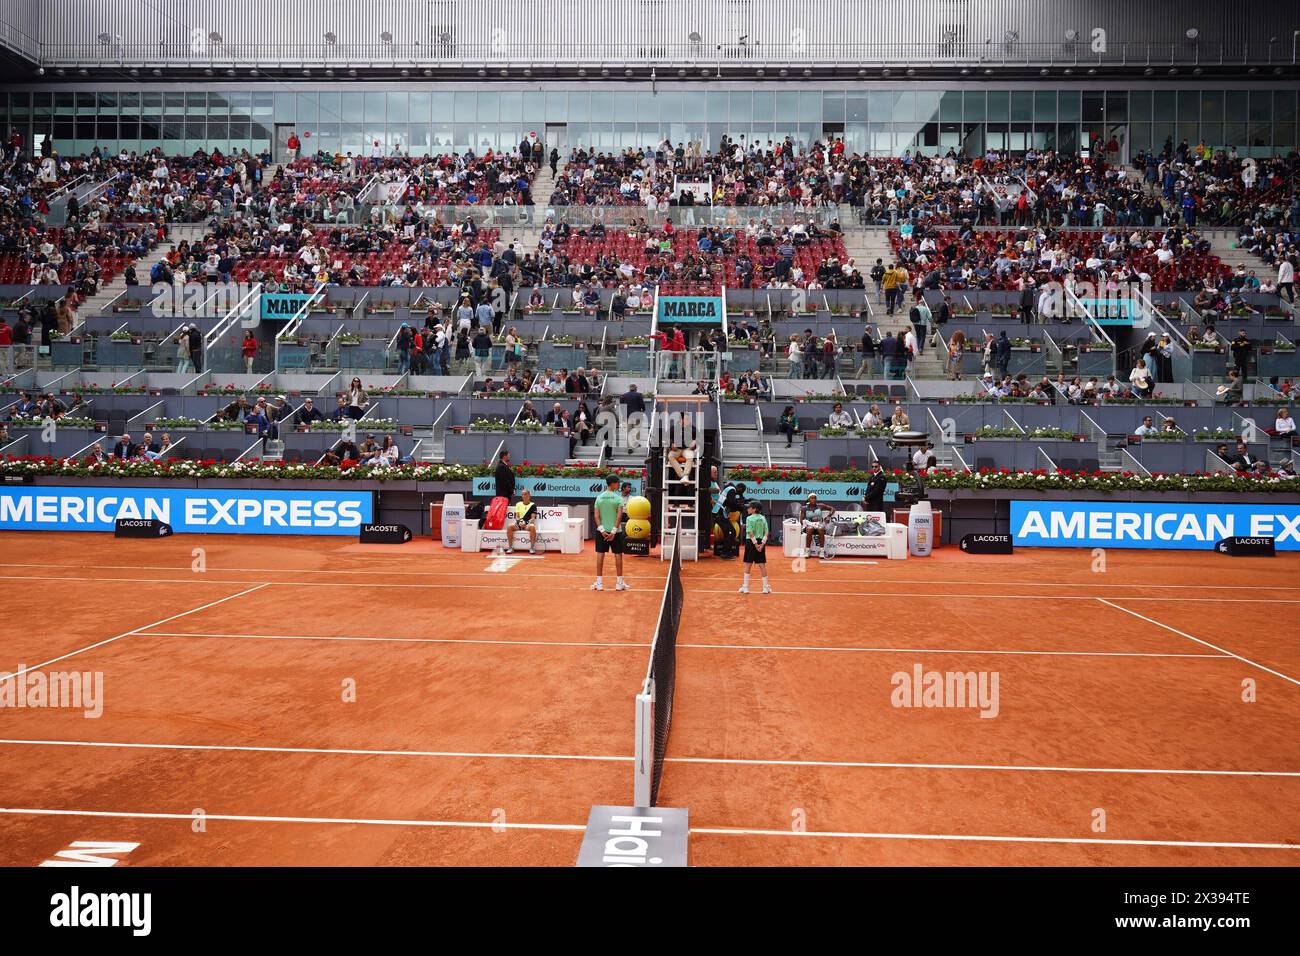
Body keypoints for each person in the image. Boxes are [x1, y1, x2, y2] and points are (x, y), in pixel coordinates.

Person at [591, 474, 629, 592]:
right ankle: (619, 584)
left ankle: (599, 584)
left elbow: (596, 516)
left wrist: (602, 530)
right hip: (616, 532)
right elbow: (619, 517)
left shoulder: (599, 498)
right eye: (617, 483)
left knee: (600, 554)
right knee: (618, 555)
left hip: (601, 532)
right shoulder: (618, 499)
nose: (619, 485)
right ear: (612, 484)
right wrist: (613, 532)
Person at [738, 500, 772, 595]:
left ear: (754, 509)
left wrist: (755, 544)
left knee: (748, 565)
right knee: (762, 565)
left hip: (751, 543)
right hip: (761, 543)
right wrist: (761, 544)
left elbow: (750, 532)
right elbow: (766, 532)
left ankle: (745, 588)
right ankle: (765, 588)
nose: (747, 509)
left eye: (749, 507)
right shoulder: (763, 518)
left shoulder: (749, 518)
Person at [801, 493, 837, 559]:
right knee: (810, 529)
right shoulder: (804, 508)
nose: (813, 499)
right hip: (809, 525)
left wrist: (829, 516)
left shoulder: (820, 505)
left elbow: (833, 509)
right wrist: (808, 523)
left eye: (815, 498)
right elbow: (801, 520)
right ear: (809, 499)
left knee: (821, 529)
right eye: (812, 498)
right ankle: (807, 551)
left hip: (818, 525)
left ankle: (822, 551)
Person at [509, 488, 540, 555]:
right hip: (519, 524)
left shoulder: (533, 505)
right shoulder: (518, 504)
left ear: (529, 495)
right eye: (522, 494)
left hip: (527, 525)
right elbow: (517, 516)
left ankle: (532, 547)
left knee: (532, 527)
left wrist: (525, 523)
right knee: (509, 526)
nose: (523, 496)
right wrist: (519, 522)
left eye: (525, 494)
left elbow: (533, 518)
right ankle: (510, 547)